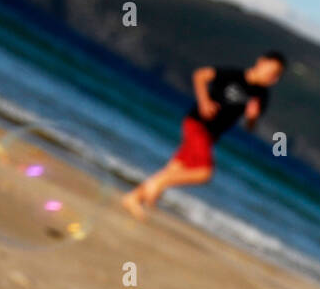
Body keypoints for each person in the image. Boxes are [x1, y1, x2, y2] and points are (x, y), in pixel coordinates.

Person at [121, 51, 286, 219]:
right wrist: (204, 101)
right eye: (269, 70)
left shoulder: (261, 95)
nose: (269, 75)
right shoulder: (234, 75)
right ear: (261, 62)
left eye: (274, 75)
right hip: (198, 124)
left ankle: (133, 197)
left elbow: (249, 127)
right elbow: (200, 75)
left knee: (176, 168)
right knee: (204, 172)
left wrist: (252, 118)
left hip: (212, 135)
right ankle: (155, 184)